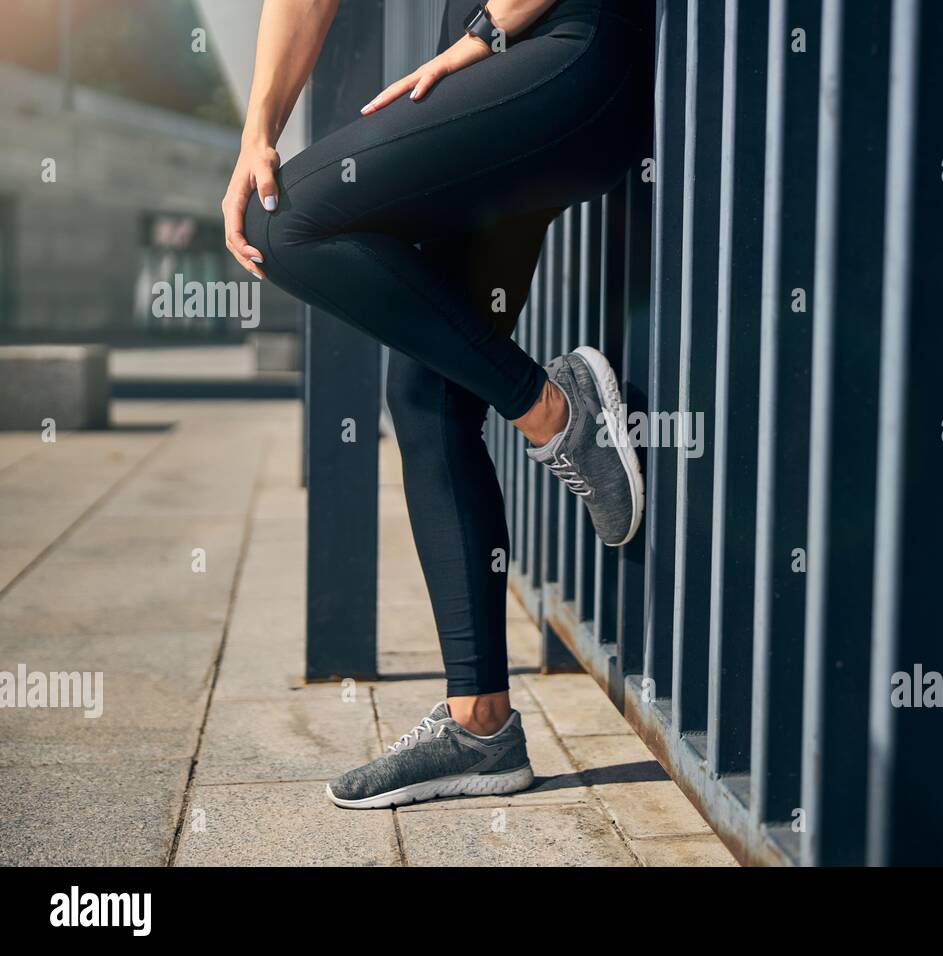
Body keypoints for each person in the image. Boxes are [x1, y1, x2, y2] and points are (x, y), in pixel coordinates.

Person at [222, 0, 654, 808]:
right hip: (508, 68)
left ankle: (557, 415)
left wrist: (488, 31)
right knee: (427, 391)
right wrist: (257, 136)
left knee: (285, 224)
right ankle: (480, 728)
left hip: (570, 50)